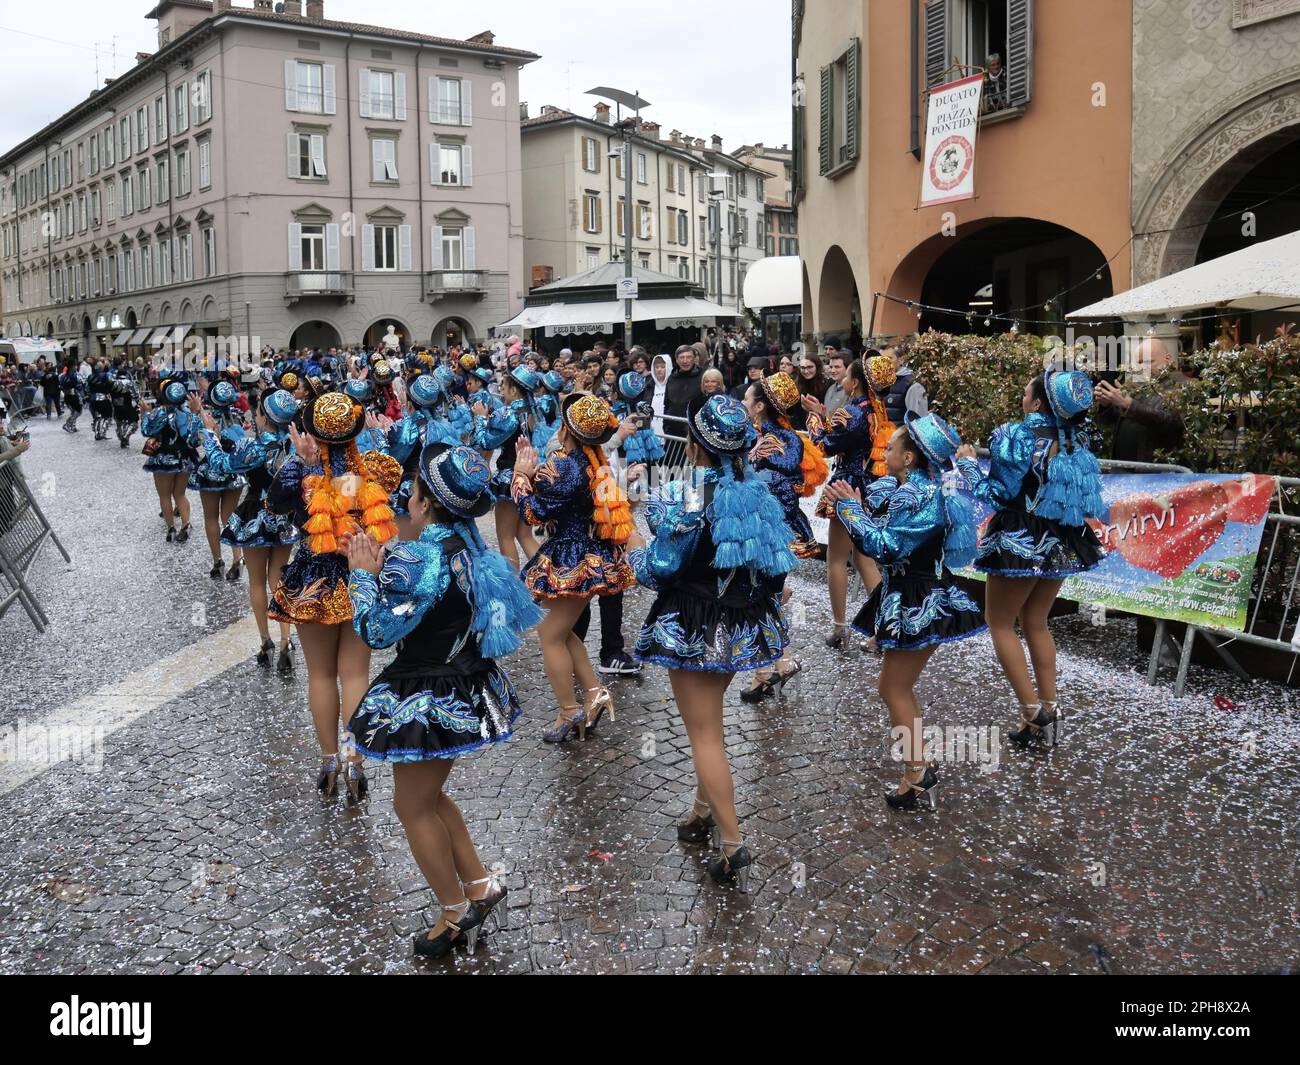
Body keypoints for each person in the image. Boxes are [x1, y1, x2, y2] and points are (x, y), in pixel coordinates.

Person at [345, 443, 542, 957]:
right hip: (464, 686)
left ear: (425, 502)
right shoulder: (471, 551)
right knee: (430, 798)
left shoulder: (418, 557)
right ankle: (478, 885)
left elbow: (374, 631)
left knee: (411, 806)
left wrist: (363, 576)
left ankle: (454, 910)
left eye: (412, 491)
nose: (406, 499)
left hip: (427, 694)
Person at [630, 394, 796, 888]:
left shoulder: (686, 494)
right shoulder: (759, 492)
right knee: (711, 723)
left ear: (697, 447)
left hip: (694, 624)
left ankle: (732, 842)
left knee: (705, 736)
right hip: (741, 623)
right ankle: (702, 809)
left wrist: (634, 549)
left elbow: (660, 571)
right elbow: (774, 572)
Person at [826, 414, 986, 809]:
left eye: (893, 447)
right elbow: (880, 507)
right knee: (898, 686)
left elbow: (885, 546)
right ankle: (919, 767)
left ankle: (916, 773)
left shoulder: (920, 496)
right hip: (908, 592)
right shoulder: (911, 489)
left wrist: (849, 509)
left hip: (918, 599)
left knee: (892, 687)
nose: (886, 450)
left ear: (910, 457)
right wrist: (855, 502)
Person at [955, 370, 1105, 747]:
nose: (1022, 398)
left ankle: (1031, 712)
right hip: (1061, 539)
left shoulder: (1016, 435)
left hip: (1020, 540)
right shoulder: (1076, 439)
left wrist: (969, 464)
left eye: (1025, 394)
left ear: (1038, 402)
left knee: (999, 622)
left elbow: (999, 493)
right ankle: (1048, 710)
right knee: (1037, 621)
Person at [268, 391, 403, 800]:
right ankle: (353, 760)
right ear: (356, 428)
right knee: (356, 673)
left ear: (312, 430)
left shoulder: (302, 469)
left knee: (322, 674)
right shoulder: (375, 466)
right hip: (362, 571)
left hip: (315, 580)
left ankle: (329, 760)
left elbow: (274, 506)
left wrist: (306, 464)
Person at [511, 393, 636, 742]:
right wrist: (536, 475)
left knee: (549, 636)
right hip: (590, 552)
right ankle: (594, 694)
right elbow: (558, 494)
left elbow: (533, 513)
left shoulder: (567, 464)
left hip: (572, 555)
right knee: (563, 633)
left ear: (567, 427)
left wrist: (520, 477)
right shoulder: (589, 462)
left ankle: (569, 709)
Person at [738, 370, 827, 701]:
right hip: (768, 529)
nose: (743, 403)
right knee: (763, 597)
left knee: (761, 597)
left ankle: (771, 668)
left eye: (747, 399)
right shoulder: (763, 434)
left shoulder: (781, 440)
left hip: (774, 532)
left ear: (759, 406)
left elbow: (777, 486)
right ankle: (776, 665)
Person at [207, 388, 303, 671]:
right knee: (279, 577)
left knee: (257, 581)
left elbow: (222, 465)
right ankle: (287, 638)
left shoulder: (255, 447)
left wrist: (210, 436)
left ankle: (266, 641)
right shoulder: (293, 446)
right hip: (284, 515)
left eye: (259, 413)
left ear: (263, 418)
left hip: (254, 515)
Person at [803, 358, 883, 649]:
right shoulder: (874, 410)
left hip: (847, 485)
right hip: (869, 483)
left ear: (857, 382)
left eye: (846, 375)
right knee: (863, 558)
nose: (842, 381)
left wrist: (813, 417)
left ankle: (840, 628)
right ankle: (885, 626)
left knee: (836, 558)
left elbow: (823, 445)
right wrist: (825, 414)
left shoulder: (851, 412)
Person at [473, 364, 543, 569]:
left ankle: (515, 590)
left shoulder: (509, 414)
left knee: (505, 538)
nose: (501, 392)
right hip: (530, 475)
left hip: (511, 479)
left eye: (504, 387)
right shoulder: (532, 411)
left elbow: (485, 442)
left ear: (514, 390)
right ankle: (547, 580)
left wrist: (480, 418)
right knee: (524, 535)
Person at [188, 381, 248, 582]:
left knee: (211, 517)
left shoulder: (204, 418)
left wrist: (197, 414)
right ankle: (237, 558)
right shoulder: (238, 416)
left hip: (211, 471)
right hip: (233, 469)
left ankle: (217, 561)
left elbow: (192, 442)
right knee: (229, 516)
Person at [1094, 338, 1188, 463]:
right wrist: (1106, 404)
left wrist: (1129, 404)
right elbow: (1109, 422)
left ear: (1168, 358)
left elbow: (1172, 421)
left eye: (1149, 362)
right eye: (1140, 362)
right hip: (1123, 465)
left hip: (1156, 468)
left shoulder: (1182, 385)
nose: (1143, 368)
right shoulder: (1136, 383)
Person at [141, 378, 201, 543]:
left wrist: (145, 413)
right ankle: (186, 524)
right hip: (185, 459)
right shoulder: (187, 413)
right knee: (180, 494)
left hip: (163, 459)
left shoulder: (158, 412)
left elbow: (146, 430)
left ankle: (171, 529)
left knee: (165, 496)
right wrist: (196, 413)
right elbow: (195, 440)